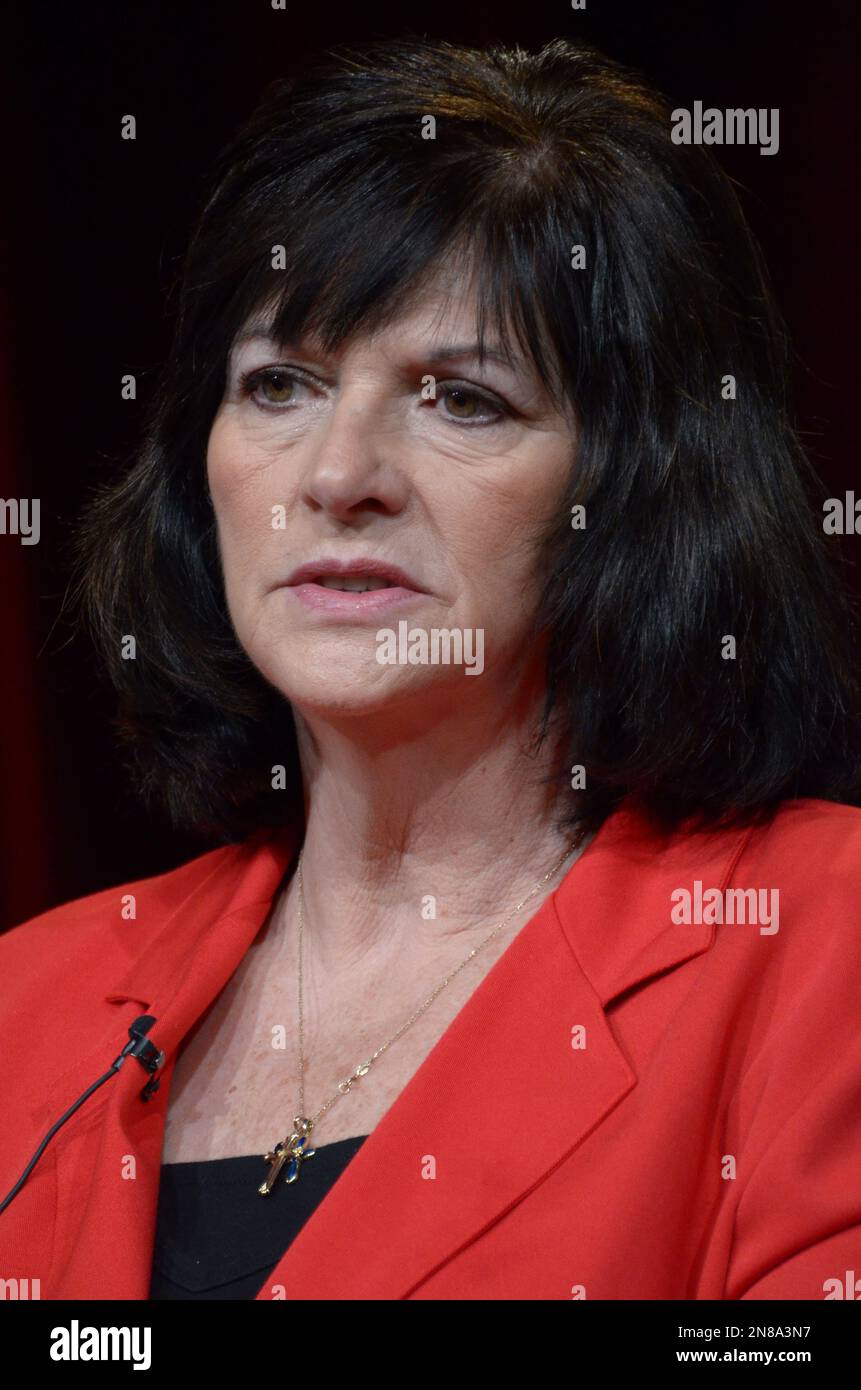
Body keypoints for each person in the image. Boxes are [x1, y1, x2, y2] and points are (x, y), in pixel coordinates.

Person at [1, 34, 860, 1302]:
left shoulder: (817, 943)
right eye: (279, 384)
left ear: (632, 490)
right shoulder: (31, 998)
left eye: (462, 399)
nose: (338, 476)